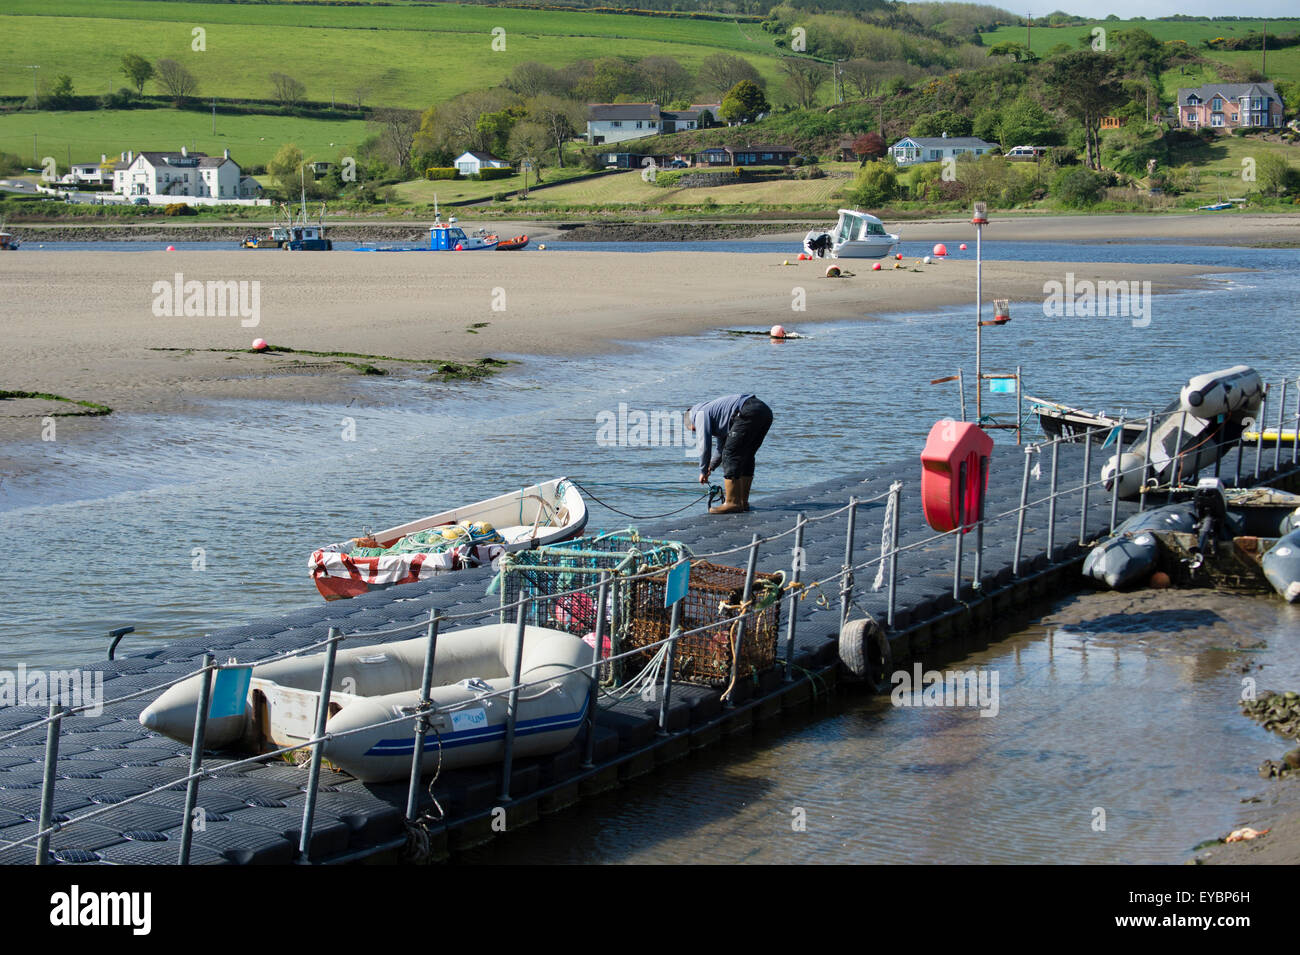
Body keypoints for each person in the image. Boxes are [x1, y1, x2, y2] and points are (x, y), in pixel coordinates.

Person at [685, 394, 774, 514]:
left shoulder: (699, 414)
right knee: (746, 454)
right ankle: (743, 502)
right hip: (764, 411)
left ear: (691, 419)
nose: (696, 431)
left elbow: (704, 444)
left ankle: (732, 503)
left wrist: (703, 470)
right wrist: (710, 467)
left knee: (730, 454)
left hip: (746, 410)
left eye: (694, 429)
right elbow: (721, 448)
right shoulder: (716, 416)